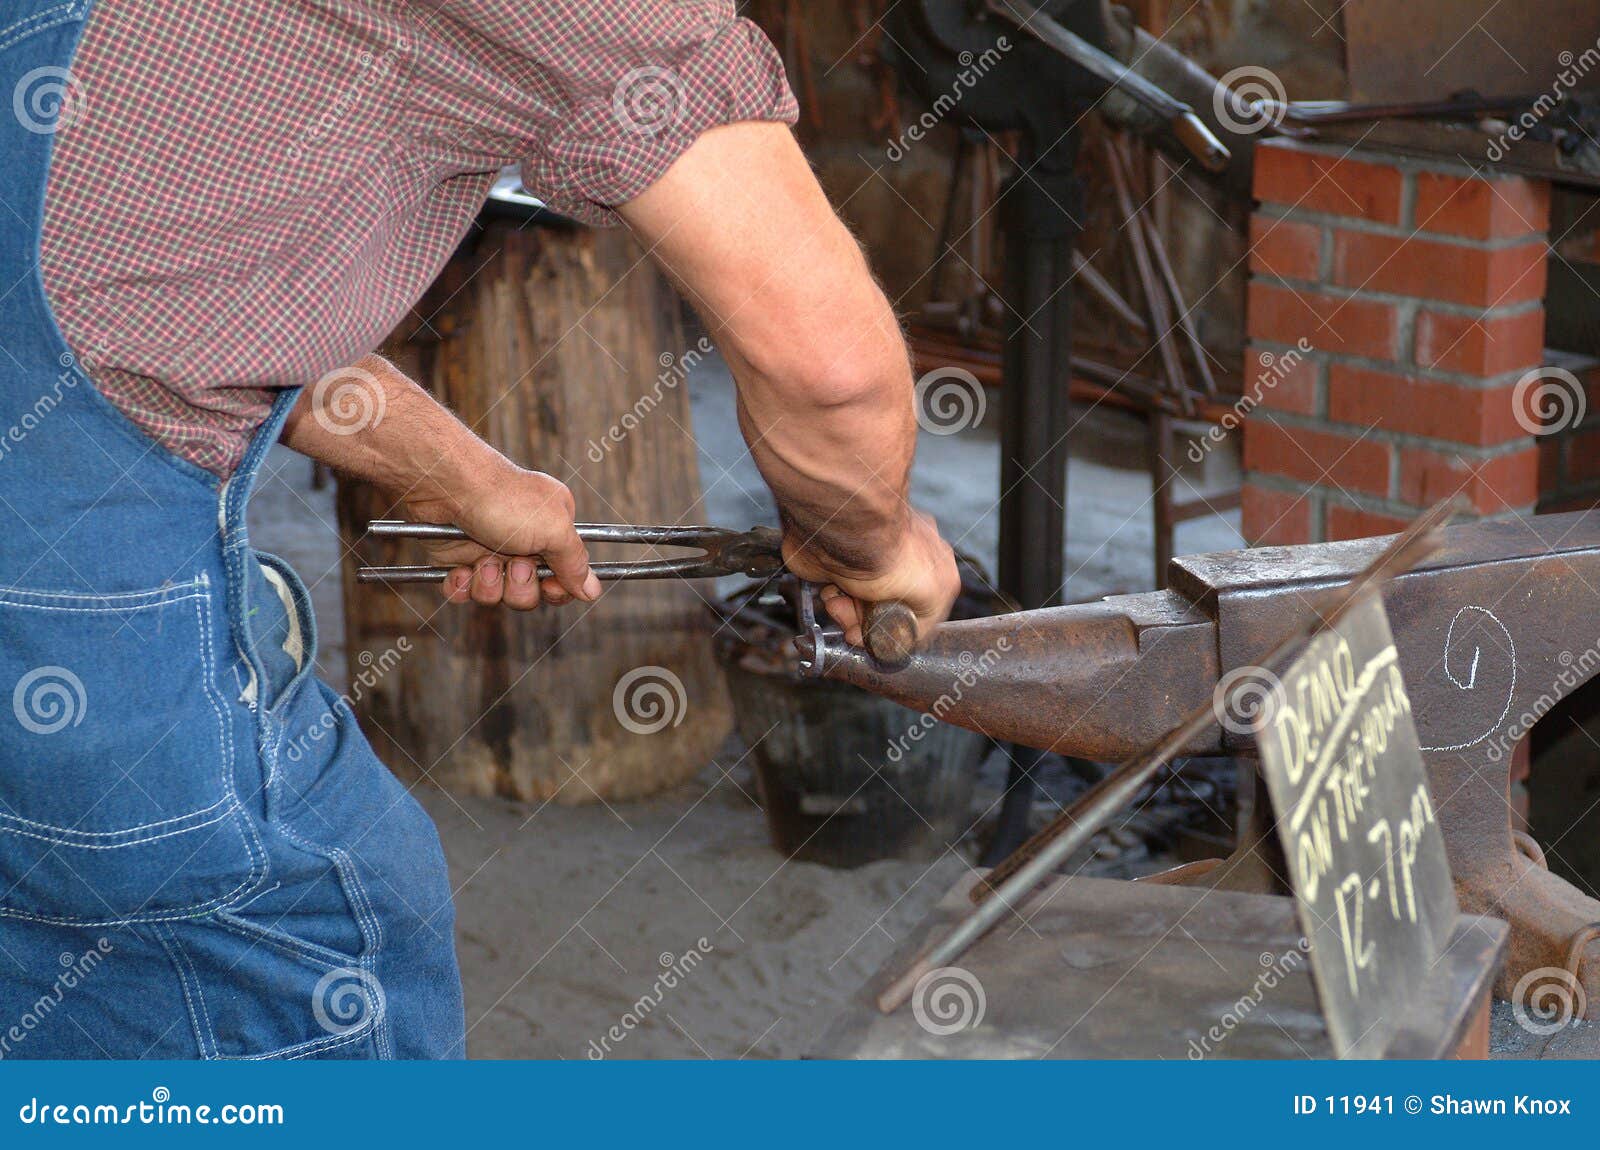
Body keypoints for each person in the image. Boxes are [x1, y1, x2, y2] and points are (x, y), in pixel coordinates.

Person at [0, 1, 959, 1058]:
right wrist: (878, 546)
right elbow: (827, 371)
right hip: (63, 542)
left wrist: (464, 476)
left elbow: (160, 268)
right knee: (318, 944)